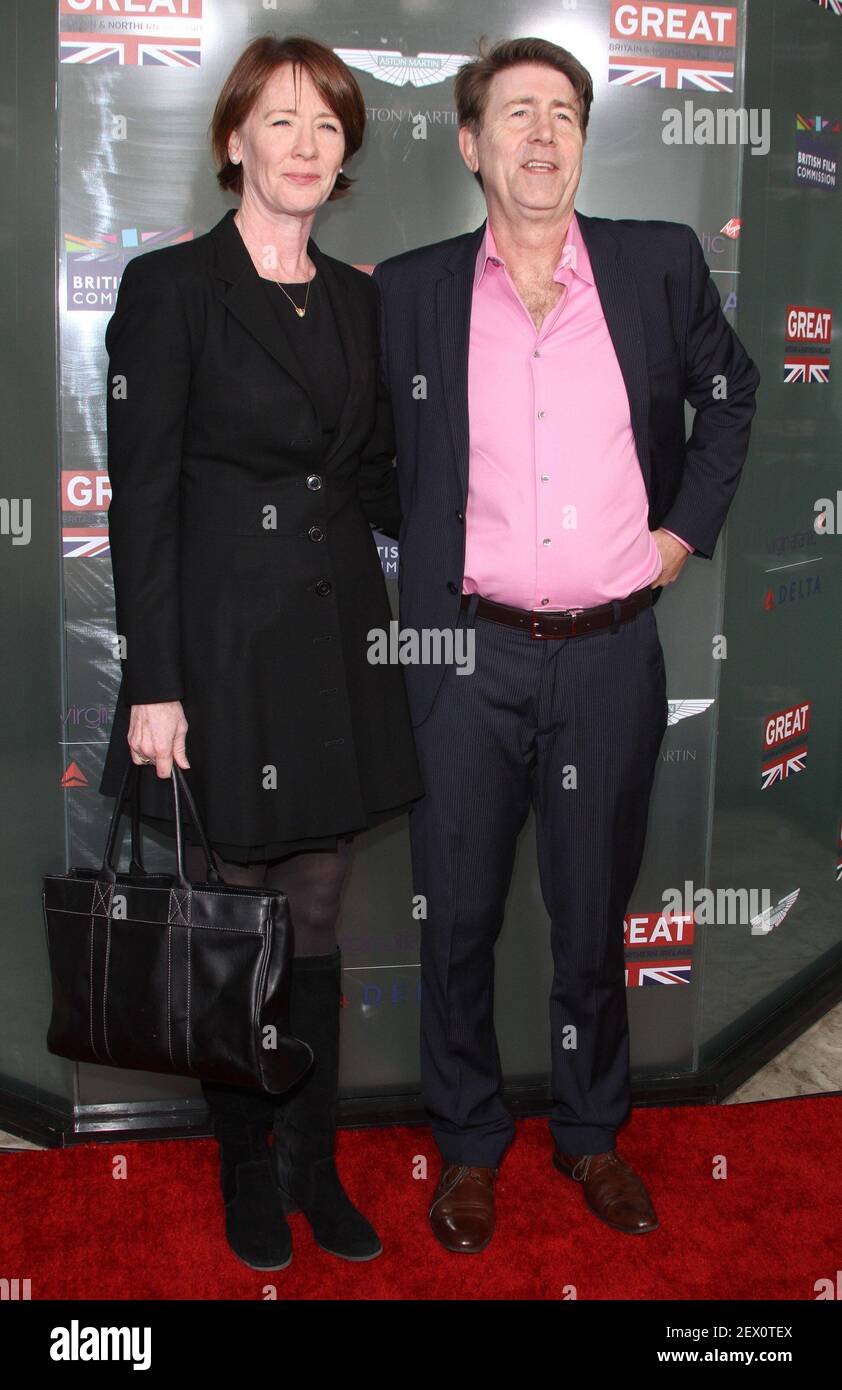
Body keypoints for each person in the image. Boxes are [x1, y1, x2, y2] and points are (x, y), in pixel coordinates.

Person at [372, 36, 760, 1252]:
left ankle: (590, 1136)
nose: (541, 136)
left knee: (590, 919)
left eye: (562, 114)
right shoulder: (412, 290)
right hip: (464, 659)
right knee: (460, 918)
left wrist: (680, 532)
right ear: (470, 142)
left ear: (581, 140)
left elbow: (732, 391)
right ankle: (471, 1145)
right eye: (515, 114)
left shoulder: (653, 266)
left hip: (606, 658)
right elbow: (370, 460)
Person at [98, 34, 423, 1271]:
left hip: (335, 656)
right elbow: (144, 501)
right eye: (280, 123)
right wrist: (157, 682)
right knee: (236, 924)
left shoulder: (360, 300)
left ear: (345, 157)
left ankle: (311, 1160)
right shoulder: (171, 288)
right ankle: (243, 1159)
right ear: (234, 139)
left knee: (318, 918)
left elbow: (386, 483)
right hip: (223, 661)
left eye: (327, 128)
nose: (303, 147)